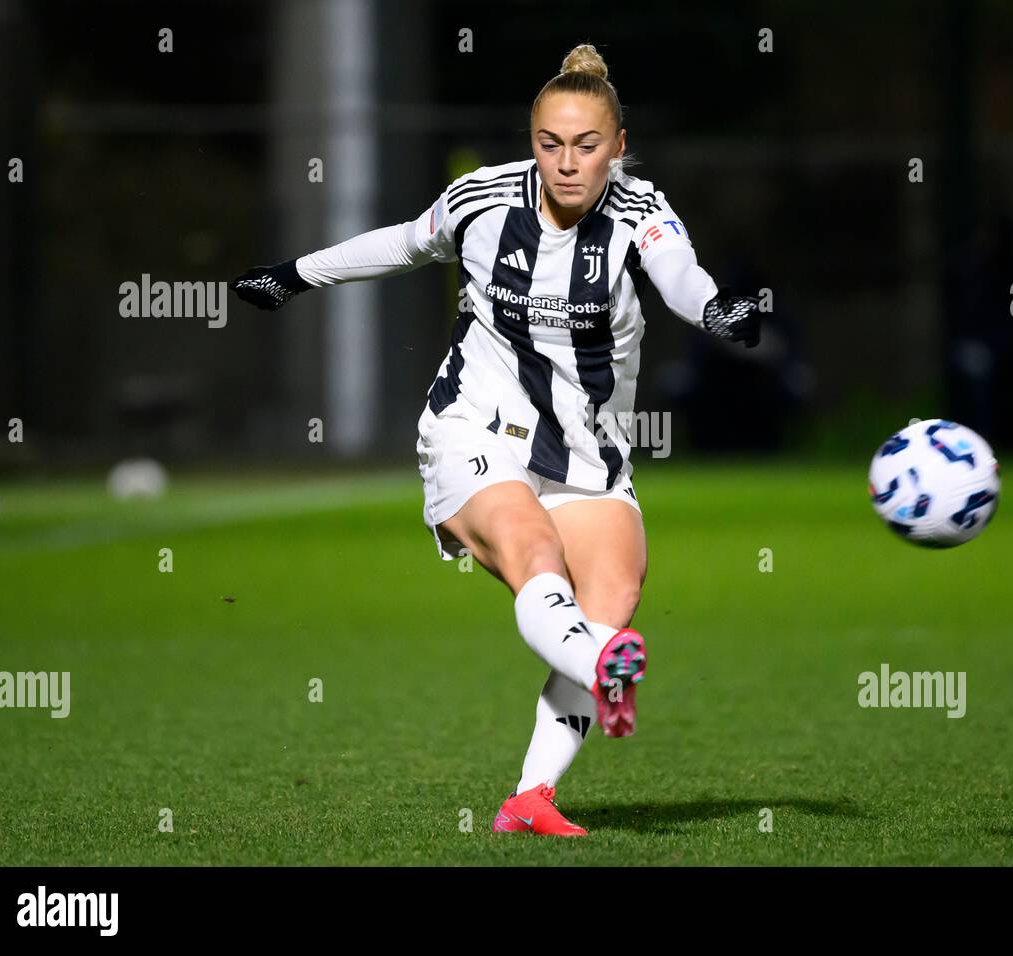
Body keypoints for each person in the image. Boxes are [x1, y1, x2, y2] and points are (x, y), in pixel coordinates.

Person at [231, 43, 763, 836]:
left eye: (587, 146)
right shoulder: (482, 201)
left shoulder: (640, 211)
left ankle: (529, 799)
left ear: (618, 147)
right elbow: (405, 242)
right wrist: (296, 273)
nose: (568, 163)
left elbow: (679, 271)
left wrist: (716, 309)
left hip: (586, 452)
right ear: (532, 142)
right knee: (533, 556)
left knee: (611, 599)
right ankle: (599, 667)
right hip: (474, 426)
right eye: (551, 144)